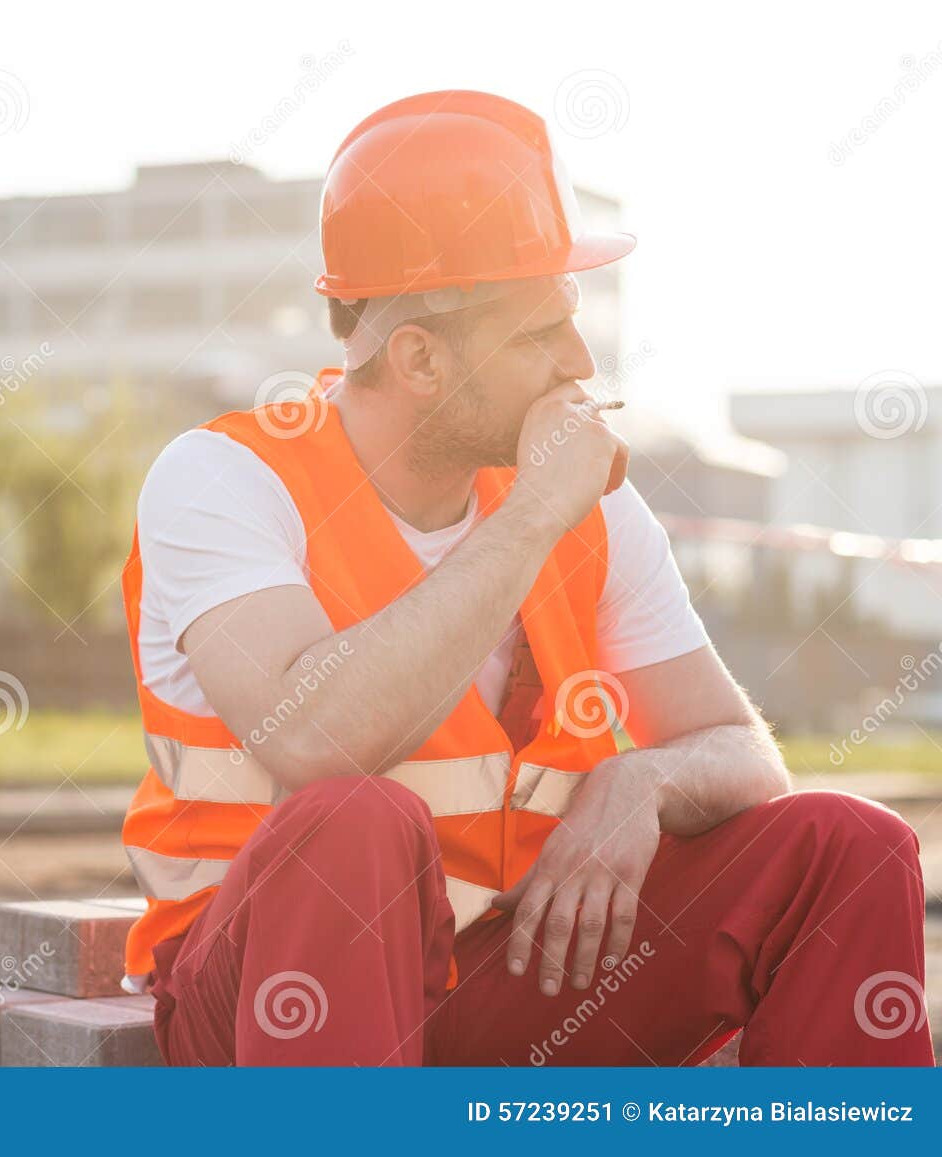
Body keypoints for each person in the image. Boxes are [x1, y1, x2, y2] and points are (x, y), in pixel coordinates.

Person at [117, 90, 933, 1066]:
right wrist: (533, 514)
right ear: (418, 356)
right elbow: (314, 741)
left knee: (847, 847)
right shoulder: (225, 477)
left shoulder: (587, 500)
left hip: (503, 977)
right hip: (271, 1003)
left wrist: (645, 777)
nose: (580, 363)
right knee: (353, 818)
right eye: (539, 332)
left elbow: (745, 754)